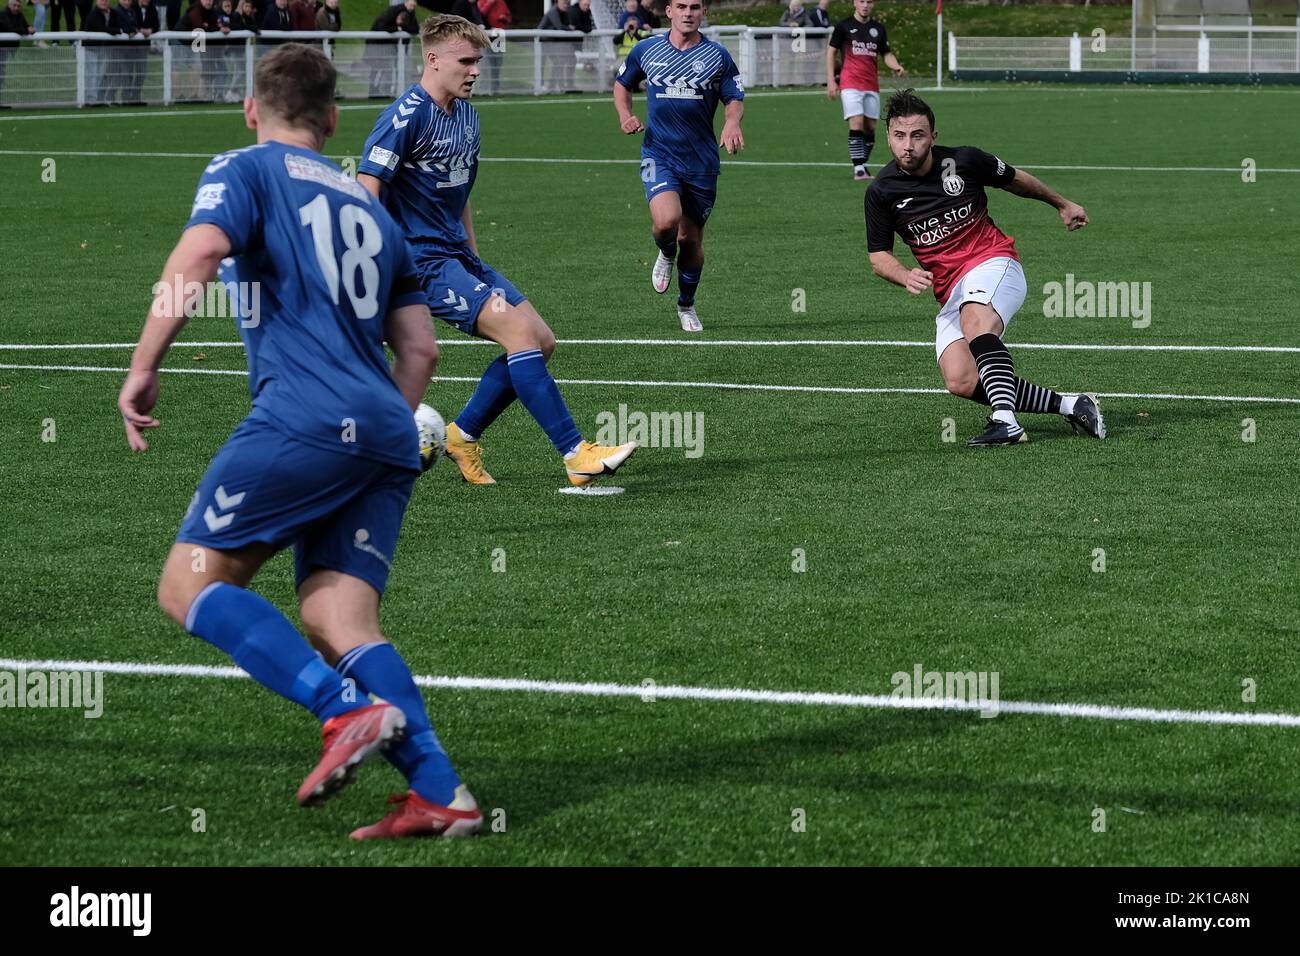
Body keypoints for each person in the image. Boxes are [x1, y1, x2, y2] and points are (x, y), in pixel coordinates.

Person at [117, 43, 482, 840]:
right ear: (333, 119)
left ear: (253, 110)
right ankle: (443, 794)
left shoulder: (245, 167)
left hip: (303, 415)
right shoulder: (372, 208)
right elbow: (421, 351)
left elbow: (200, 254)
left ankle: (341, 710)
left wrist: (144, 366)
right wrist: (379, 427)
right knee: (340, 617)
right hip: (387, 429)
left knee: (189, 585)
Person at [358, 15, 637, 486]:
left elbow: (460, 192)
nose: (474, 71)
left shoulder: (468, 116)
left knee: (541, 341)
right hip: (421, 264)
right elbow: (366, 195)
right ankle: (575, 453)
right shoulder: (403, 118)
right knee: (520, 338)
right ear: (432, 59)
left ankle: (462, 435)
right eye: (465, 61)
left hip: (458, 256)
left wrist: (473, 258)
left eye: (478, 62)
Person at [865, 89, 1105, 447]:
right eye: (899, 136)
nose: (908, 145)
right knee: (960, 379)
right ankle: (1071, 404)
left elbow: (1015, 179)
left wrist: (1061, 203)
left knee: (976, 323)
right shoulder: (882, 191)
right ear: (887, 136)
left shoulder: (965, 161)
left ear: (934, 136)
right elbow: (878, 256)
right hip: (950, 289)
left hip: (994, 263)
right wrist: (903, 274)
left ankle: (1005, 422)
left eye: (917, 135)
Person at [614, 0, 744, 333]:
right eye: (681, 6)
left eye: (695, 7)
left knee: (692, 240)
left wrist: (732, 124)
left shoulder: (717, 56)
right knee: (665, 223)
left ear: (703, 13)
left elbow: (734, 98)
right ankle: (665, 252)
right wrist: (625, 116)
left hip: (701, 161)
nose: (688, 13)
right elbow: (622, 84)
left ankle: (686, 304)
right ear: (668, 11)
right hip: (659, 155)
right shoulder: (646, 50)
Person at [826, 0, 904, 181]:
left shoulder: (878, 28)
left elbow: (886, 53)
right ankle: (859, 168)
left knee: (870, 128)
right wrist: (831, 80)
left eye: (869, 1)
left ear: (873, 4)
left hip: (871, 84)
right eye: (862, 1)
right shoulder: (844, 26)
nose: (865, 5)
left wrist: (896, 66)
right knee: (857, 122)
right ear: (855, 3)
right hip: (850, 83)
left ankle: (862, 163)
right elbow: (831, 52)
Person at [82, 0, 122, 104]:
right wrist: (118, 31)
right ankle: (90, 100)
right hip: (91, 49)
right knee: (92, 74)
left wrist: (119, 29)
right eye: (101, 0)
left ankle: (98, 99)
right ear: (96, 2)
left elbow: (120, 24)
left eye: (106, 0)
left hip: (103, 49)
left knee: (101, 74)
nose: (104, 2)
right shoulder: (93, 14)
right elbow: (102, 28)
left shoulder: (113, 12)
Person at [536, 0, 575, 92]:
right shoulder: (553, 12)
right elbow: (560, 27)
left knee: (558, 62)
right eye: (564, 3)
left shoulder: (564, 12)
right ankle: (541, 86)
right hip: (543, 42)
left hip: (552, 42)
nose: (566, 5)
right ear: (557, 2)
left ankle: (552, 85)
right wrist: (569, 28)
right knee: (542, 64)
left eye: (567, 3)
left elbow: (564, 26)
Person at [0, 0, 34, 94]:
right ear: (8, 5)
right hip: (2, 48)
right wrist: (27, 30)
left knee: (1, 73)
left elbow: (26, 26)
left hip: (5, 49)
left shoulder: (20, 15)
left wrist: (30, 28)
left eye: (18, 6)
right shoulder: (2, 15)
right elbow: (10, 29)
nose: (16, 8)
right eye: (14, 5)